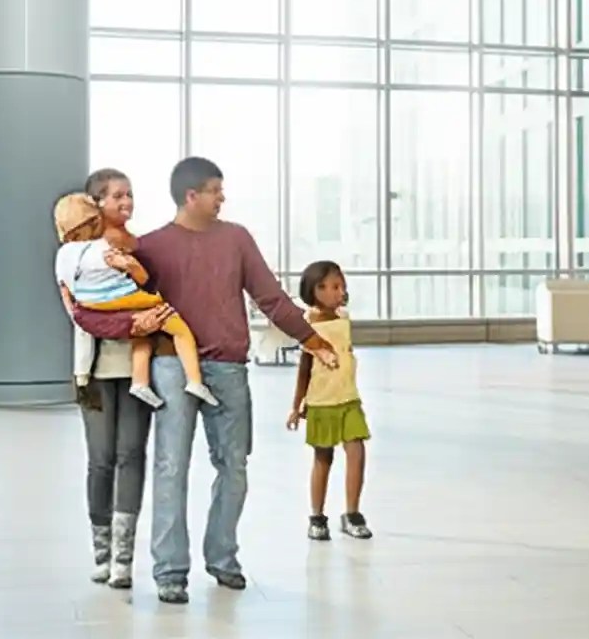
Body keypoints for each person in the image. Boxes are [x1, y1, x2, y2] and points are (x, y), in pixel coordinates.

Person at [73, 157, 338, 605]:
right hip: (171, 367)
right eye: (215, 190)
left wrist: (311, 338)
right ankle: (170, 571)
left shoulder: (236, 239)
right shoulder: (152, 246)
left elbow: (270, 296)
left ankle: (223, 558)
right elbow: (114, 298)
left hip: (229, 367)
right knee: (170, 467)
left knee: (233, 467)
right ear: (190, 195)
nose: (222, 198)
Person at [69, 168, 174, 589]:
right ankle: (101, 549)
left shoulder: (143, 251)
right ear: (96, 203)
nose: (126, 202)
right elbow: (82, 315)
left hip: (137, 371)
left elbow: (158, 300)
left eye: (129, 194)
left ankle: (124, 559)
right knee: (100, 459)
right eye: (116, 196)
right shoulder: (77, 253)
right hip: (93, 372)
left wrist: (144, 323)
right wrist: (132, 323)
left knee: (132, 455)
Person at [53, 192, 215, 408]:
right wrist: (128, 265)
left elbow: (68, 294)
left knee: (144, 331)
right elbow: (142, 277)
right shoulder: (101, 247)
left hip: (90, 309)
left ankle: (139, 382)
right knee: (175, 321)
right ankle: (195, 380)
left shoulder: (64, 255)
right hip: (121, 300)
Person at [286, 261, 373, 542]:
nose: (334, 292)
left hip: (348, 398)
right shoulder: (308, 324)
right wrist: (297, 404)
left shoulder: (343, 318)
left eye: (337, 285)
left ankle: (352, 513)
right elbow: (304, 368)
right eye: (324, 287)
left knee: (357, 451)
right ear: (311, 292)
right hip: (322, 402)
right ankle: (317, 516)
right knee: (323, 458)